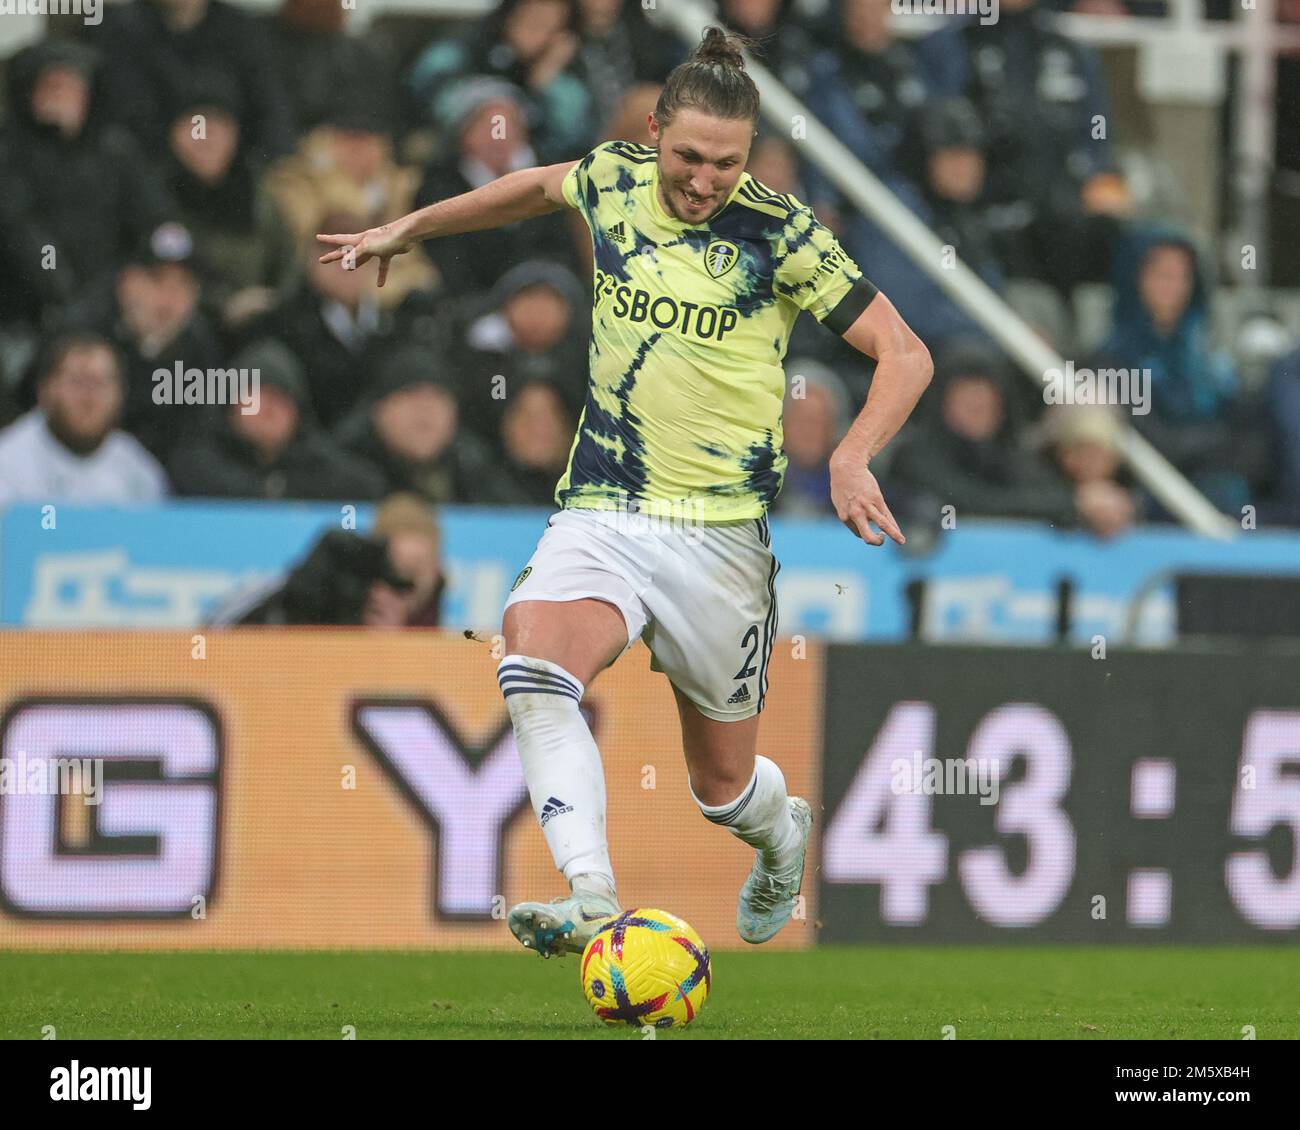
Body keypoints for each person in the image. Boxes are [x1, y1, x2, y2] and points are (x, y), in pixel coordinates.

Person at [318, 28, 932, 957]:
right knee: (531, 665)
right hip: (603, 507)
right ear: (653, 133)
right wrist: (413, 225)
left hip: (722, 538)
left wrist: (850, 457)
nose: (702, 180)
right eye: (686, 156)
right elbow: (529, 188)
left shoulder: (783, 232)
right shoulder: (611, 177)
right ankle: (594, 900)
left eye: (725, 163)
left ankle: (780, 836)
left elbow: (906, 353)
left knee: (720, 787)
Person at [0, 332, 168, 504]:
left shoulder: (138, 471)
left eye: (101, 383)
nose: (89, 398)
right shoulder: (6, 465)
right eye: (78, 381)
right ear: (46, 390)